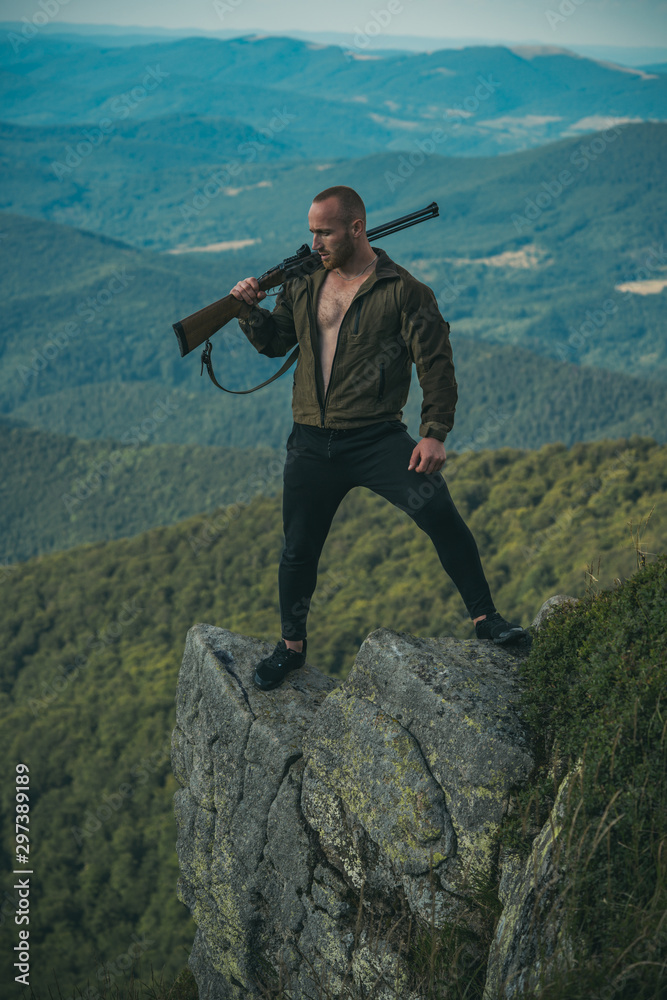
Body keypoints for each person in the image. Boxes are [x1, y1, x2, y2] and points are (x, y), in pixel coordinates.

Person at [230, 185, 530, 691]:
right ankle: (291, 648)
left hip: (376, 438)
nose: (315, 242)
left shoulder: (405, 291)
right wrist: (247, 311)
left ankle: (486, 621)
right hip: (309, 441)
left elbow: (437, 366)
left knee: (439, 514)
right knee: (298, 550)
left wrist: (433, 434)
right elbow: (277, 342)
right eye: (310, 232)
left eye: (324, 231)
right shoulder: (302, 282)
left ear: (356, 228)